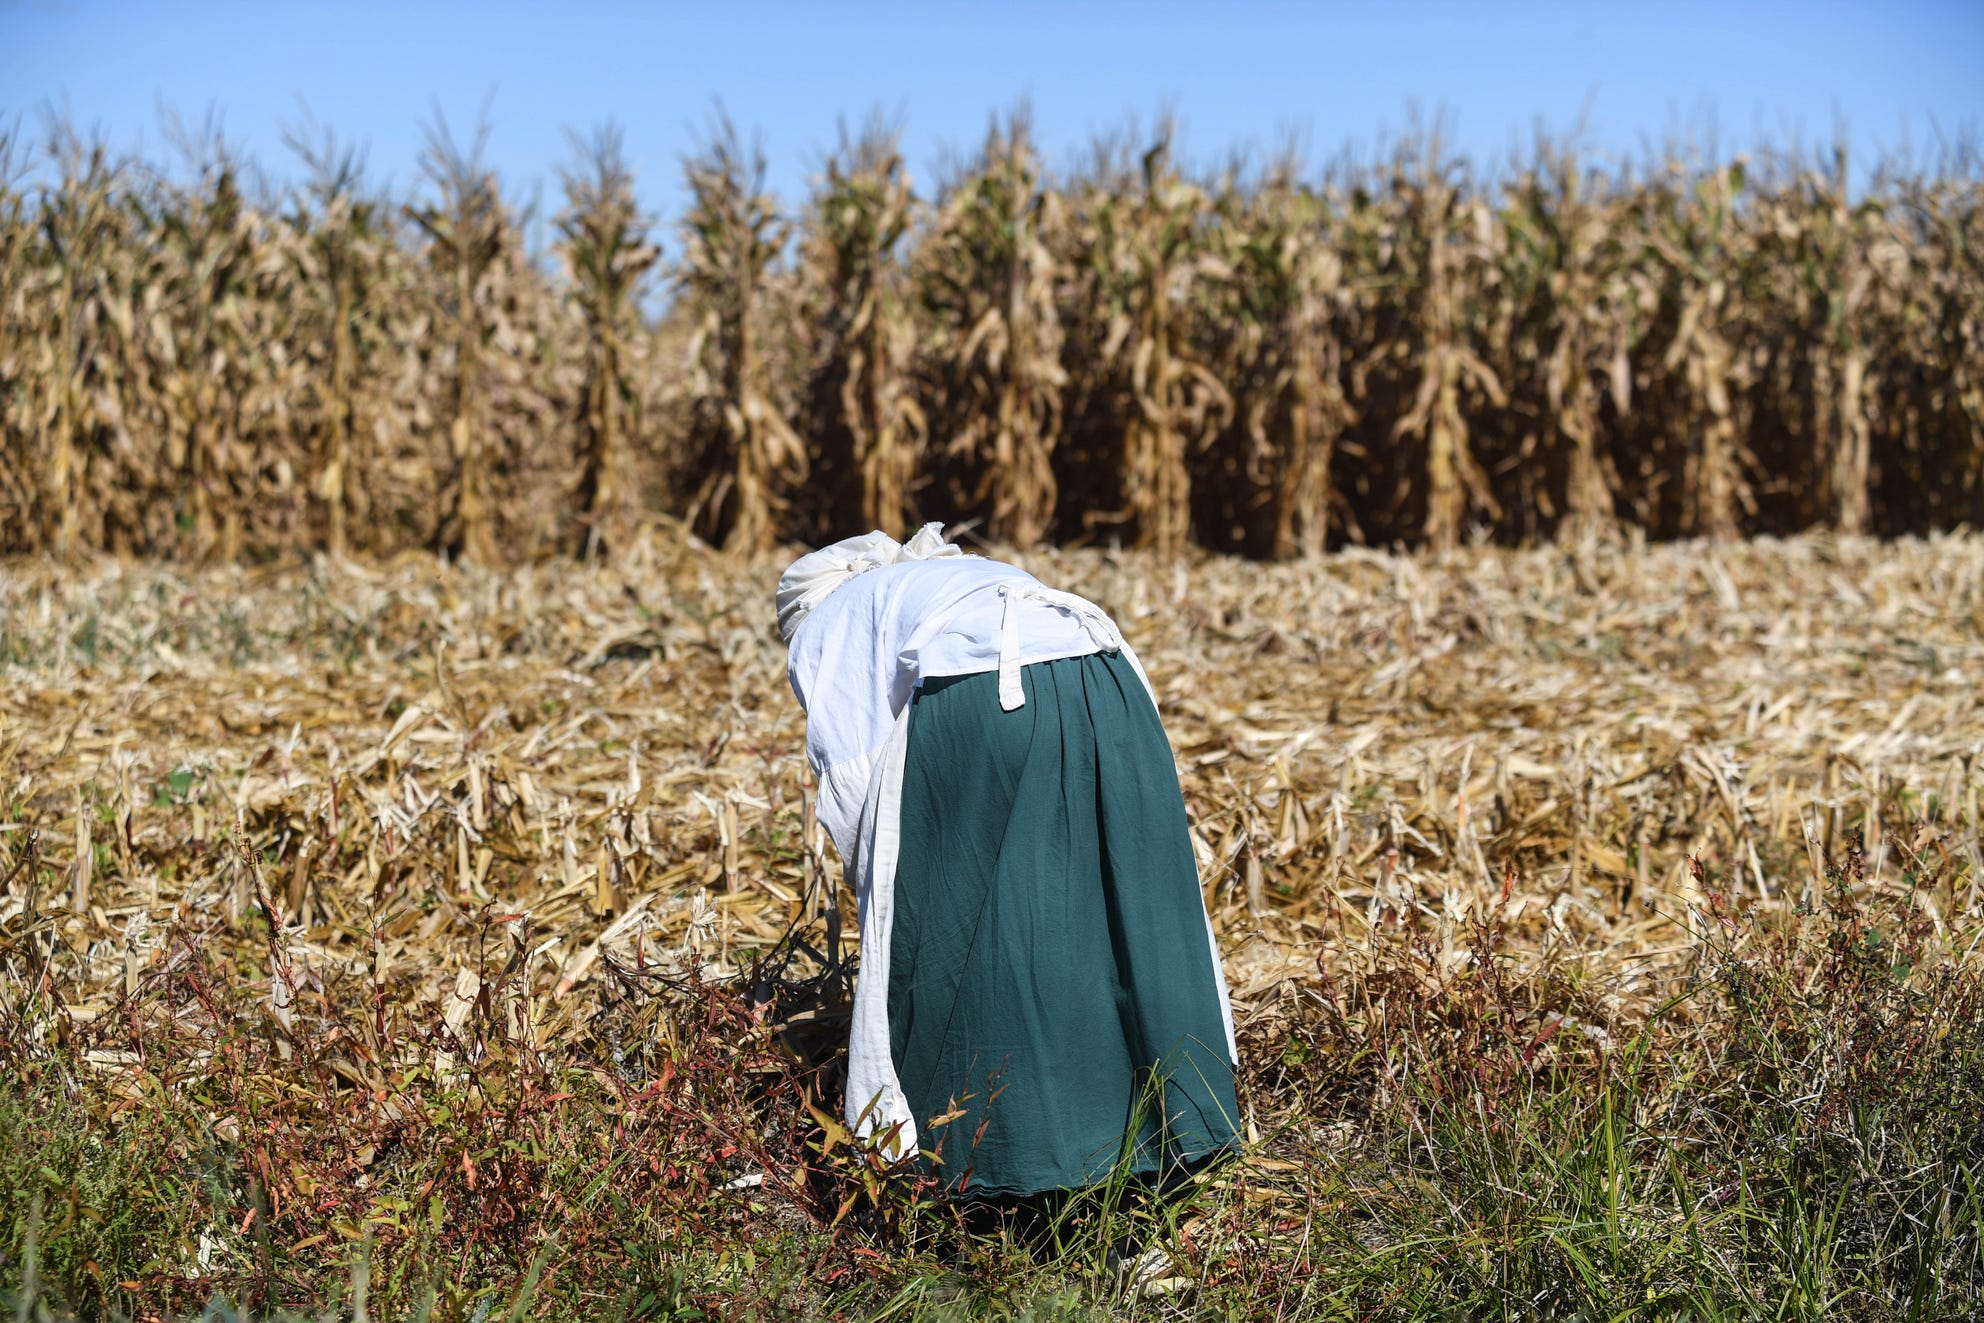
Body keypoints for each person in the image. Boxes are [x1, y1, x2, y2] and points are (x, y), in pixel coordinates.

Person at [779, 523, 1240, 1200]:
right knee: (1120, 910)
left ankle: (1002, 1170)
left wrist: (894, 910)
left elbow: (855, 778)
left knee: (984, 939)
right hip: (1112, 686)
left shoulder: (829, 621)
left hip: (984, 703)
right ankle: (1176, 1132)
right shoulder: (951, 577)